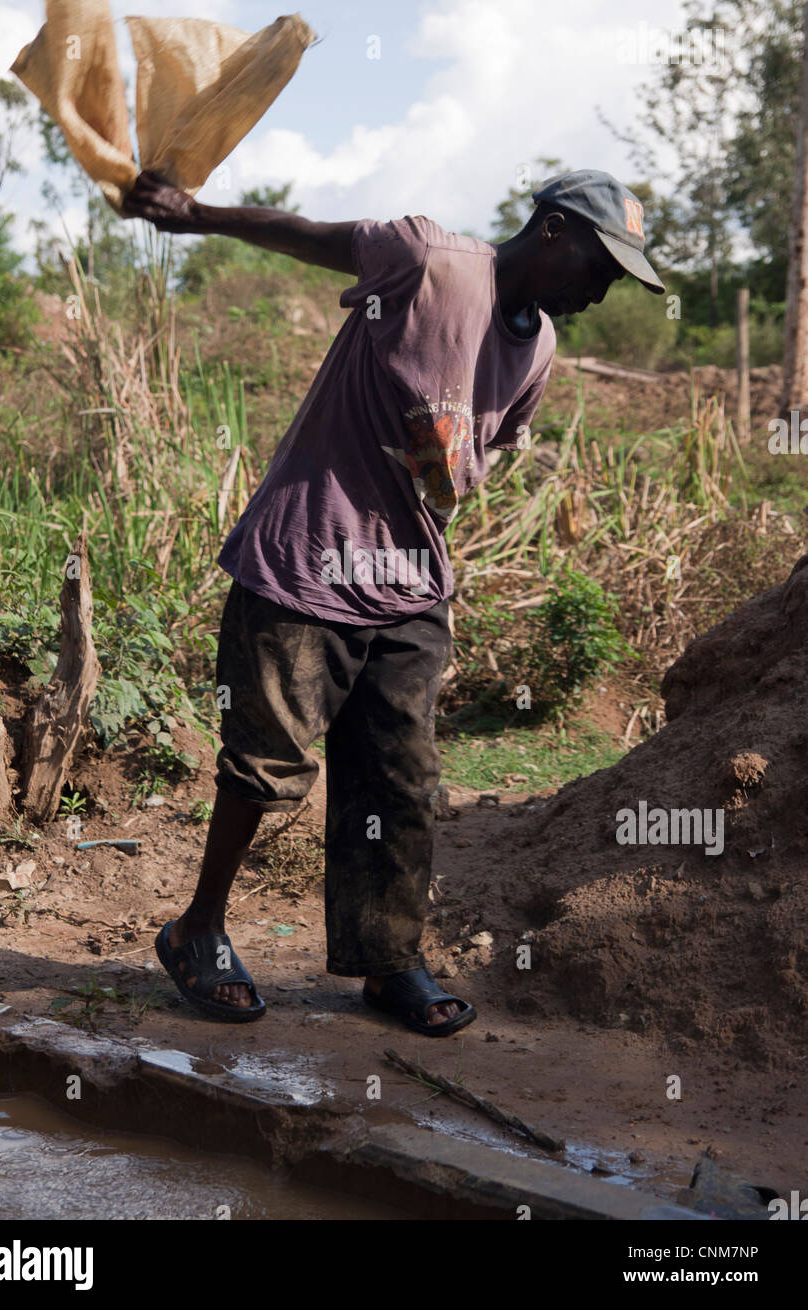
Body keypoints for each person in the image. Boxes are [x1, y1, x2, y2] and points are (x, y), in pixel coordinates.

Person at [121, 167, 665, 1036]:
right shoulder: (428, 261)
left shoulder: (541, 348)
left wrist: (434, 458)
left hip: (412, 582)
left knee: (400, 779)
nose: (602, 291)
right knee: (267, 768)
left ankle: (388, 963)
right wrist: (196, 218)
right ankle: (198, 929)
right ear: (554, 231)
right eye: (600, 266)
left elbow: (477, 456)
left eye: (616, 278)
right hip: (309, 554)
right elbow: (309, 235)